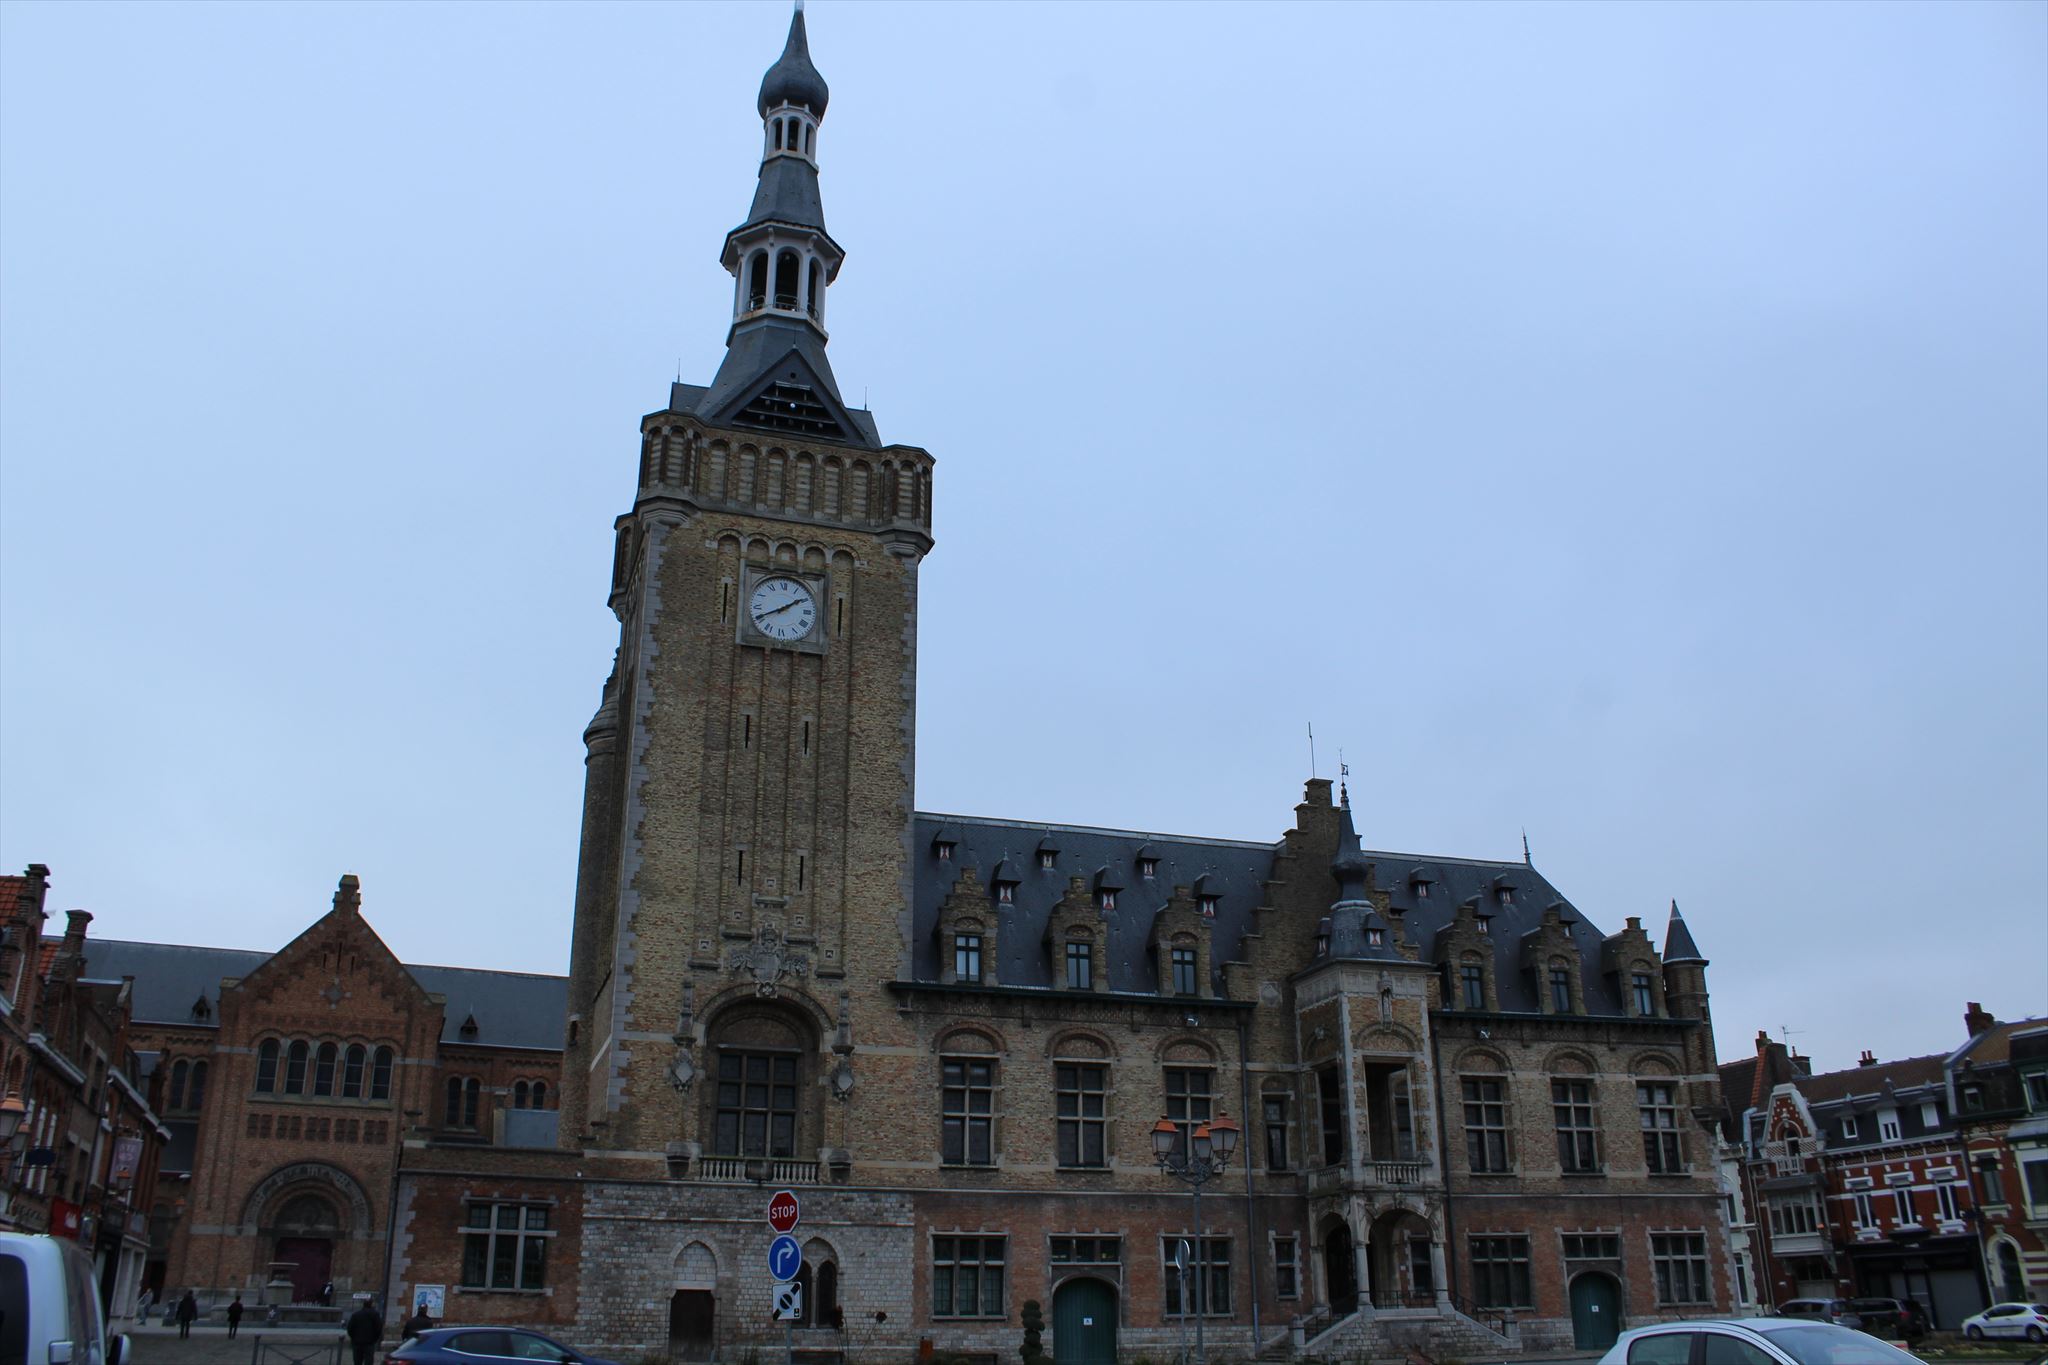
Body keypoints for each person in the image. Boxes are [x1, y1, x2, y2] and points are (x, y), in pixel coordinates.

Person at [345, 1298, 383, 1365]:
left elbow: (350, 1328)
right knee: (368, 1361)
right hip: (369, 1342)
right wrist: (374, 1339)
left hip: (357, 1342)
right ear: (371, 1304)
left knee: (357, 1361)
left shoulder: (356, 1315)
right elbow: (379, 1328)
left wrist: (353, 1338)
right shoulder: (375, 1315)